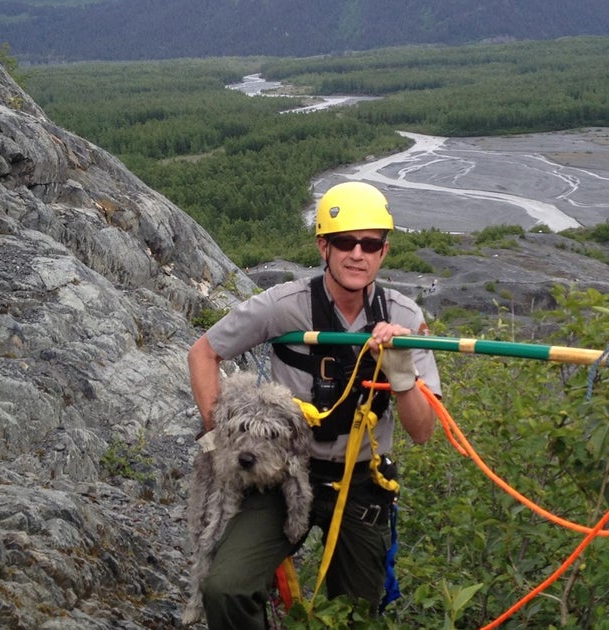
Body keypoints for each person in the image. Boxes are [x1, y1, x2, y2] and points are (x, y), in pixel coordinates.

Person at [187, 180, 441, 629]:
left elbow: (422, 431)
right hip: (285, 472)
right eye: (345, 242)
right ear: (323, 245)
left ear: (384, 251)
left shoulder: (404, 318)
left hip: (361, 480)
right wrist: (218, 434)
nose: (357, 254)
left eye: (370, 243)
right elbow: (204, 353)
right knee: (224, 588)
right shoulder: (284, 306)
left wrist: (401, 374)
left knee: (358, 617)